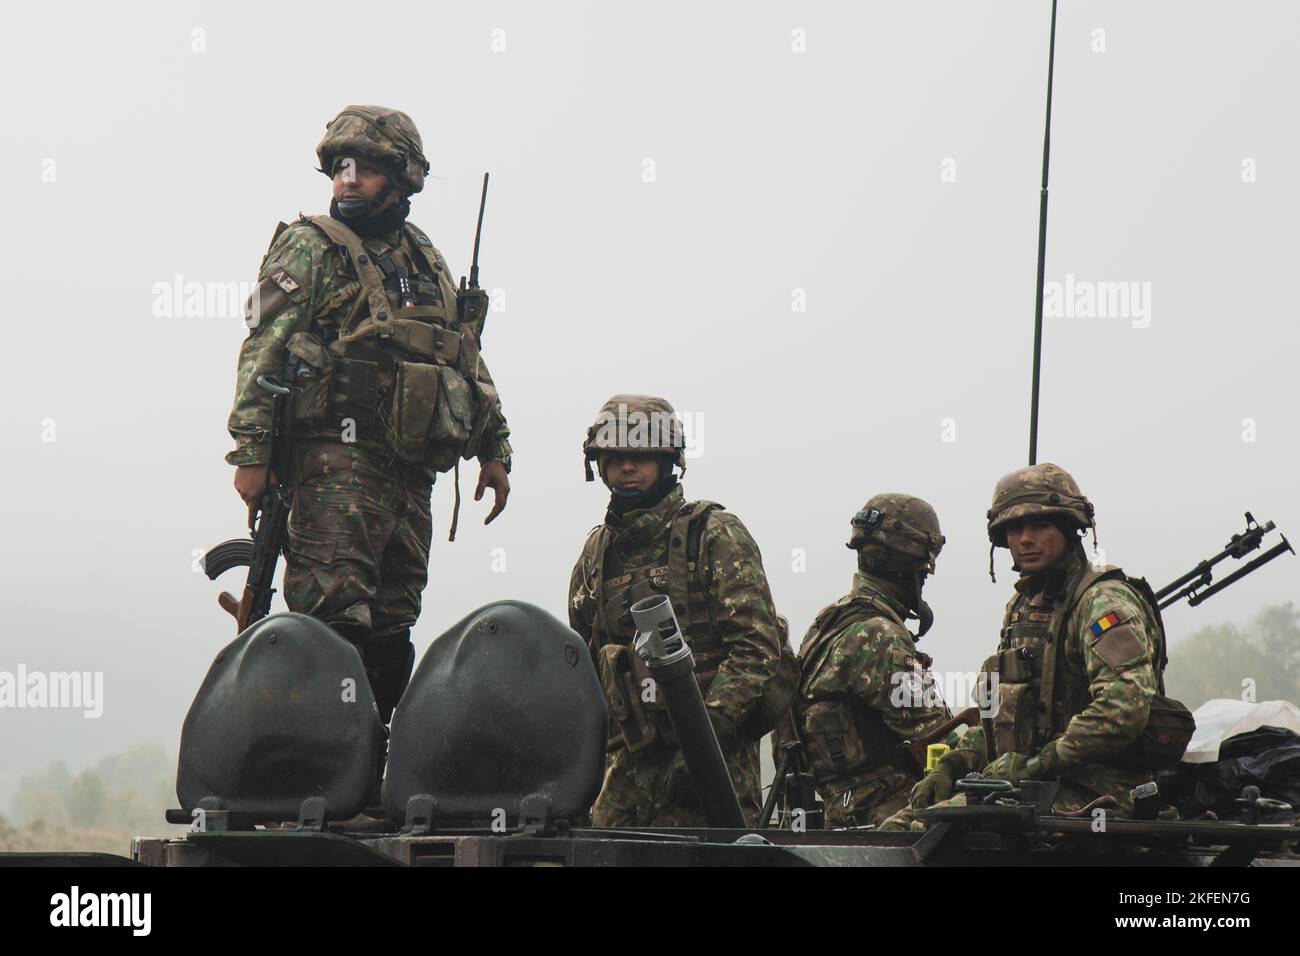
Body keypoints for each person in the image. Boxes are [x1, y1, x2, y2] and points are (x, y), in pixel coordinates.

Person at [226, 105, 512, 724]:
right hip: (335, 468)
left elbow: (461, 355)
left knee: (392, 620)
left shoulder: (426, 259)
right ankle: (320, 774)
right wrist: (251, 455)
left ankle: (373, 770)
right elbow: (260, 347)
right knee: (331, 620)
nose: (349, 180)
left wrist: (494, 449)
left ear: (404, 177)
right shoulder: (310, 246)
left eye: (366, 169)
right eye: (341, 168)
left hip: (411, 473)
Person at [898, 463, 1165, 823]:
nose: (1025, 538)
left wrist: (1040, 763)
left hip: (1098, 790)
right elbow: (996, 717)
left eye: (1040, 525)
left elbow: (1125, 706)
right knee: (897, 828)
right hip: (1027, 787)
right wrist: (951, 764)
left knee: (926, 831)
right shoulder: (1021, 608)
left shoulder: (1102, 602)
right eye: (1014, 528)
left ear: (1070, 530)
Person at [567, 394, 788, 827]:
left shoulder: (714, 534)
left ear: (668, 460)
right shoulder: (596, 553)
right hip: (627, 768)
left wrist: (707, 738)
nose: (626, 467)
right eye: (614, 455)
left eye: (641, 455)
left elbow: (756, 647)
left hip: (712, 762)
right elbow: (586, 663)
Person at [794, 494, 954, 827]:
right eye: (925, 566)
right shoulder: (879, 636)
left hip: (841, 813)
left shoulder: (830, 622)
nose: (926, 573)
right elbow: (938, 740)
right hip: (888, 814)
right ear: (914, 563)